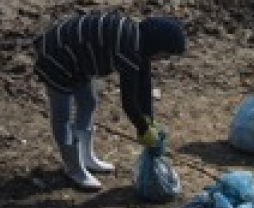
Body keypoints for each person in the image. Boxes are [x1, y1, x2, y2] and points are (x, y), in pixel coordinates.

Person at [33, 11, 186, 191]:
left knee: (88, 102)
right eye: (166, 54)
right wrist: (143, 128)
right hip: (56, 57)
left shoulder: (138, 41)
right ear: (157, 45)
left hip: (80, 60)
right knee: (63, 117)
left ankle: (86, 157)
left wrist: (149, 120)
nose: (164, 59)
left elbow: (144, 84)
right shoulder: (128, 48)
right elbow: (128, 101)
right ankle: (74, 169)